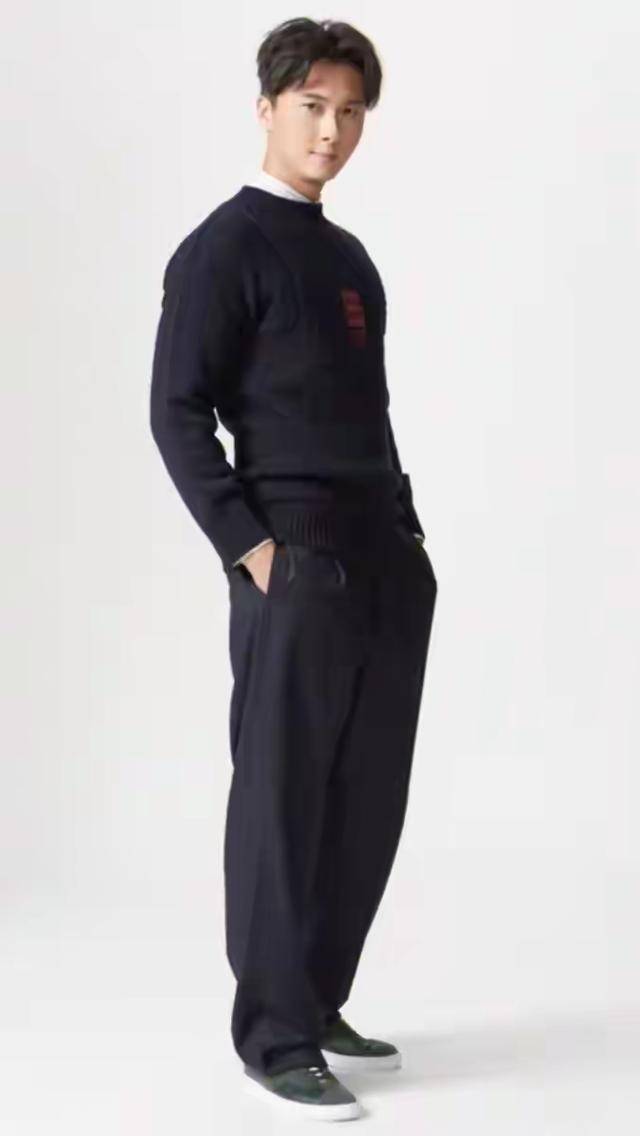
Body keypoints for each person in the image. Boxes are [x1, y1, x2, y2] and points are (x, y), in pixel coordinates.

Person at [149, 17, 437, 1122]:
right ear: (267, 107)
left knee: (365, 796)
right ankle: (271, 1033)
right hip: (297, 560)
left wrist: (408, 534)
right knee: (281, 797)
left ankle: (317, 1000)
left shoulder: (347, 256)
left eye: (351, 111)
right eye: (313, 106)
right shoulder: (222, 249)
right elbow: (177, 412)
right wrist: (251, 547)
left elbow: (369, 409)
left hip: (382, 563)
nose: (332, 130)